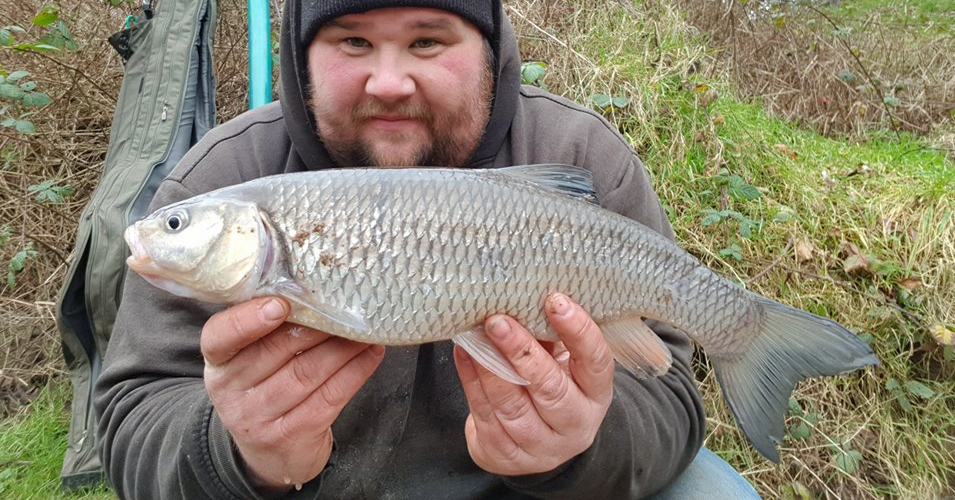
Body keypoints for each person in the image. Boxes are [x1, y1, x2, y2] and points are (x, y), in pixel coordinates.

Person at [94, 1, 762, 498]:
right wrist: (238, 453)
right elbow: (131, 420)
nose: (388, 82)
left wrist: (573, 447)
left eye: (426, 40)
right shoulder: (220, 176)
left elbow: (667, 394)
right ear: (301, 55)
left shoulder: (578, 154)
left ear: (488, 47)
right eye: (352, 40)